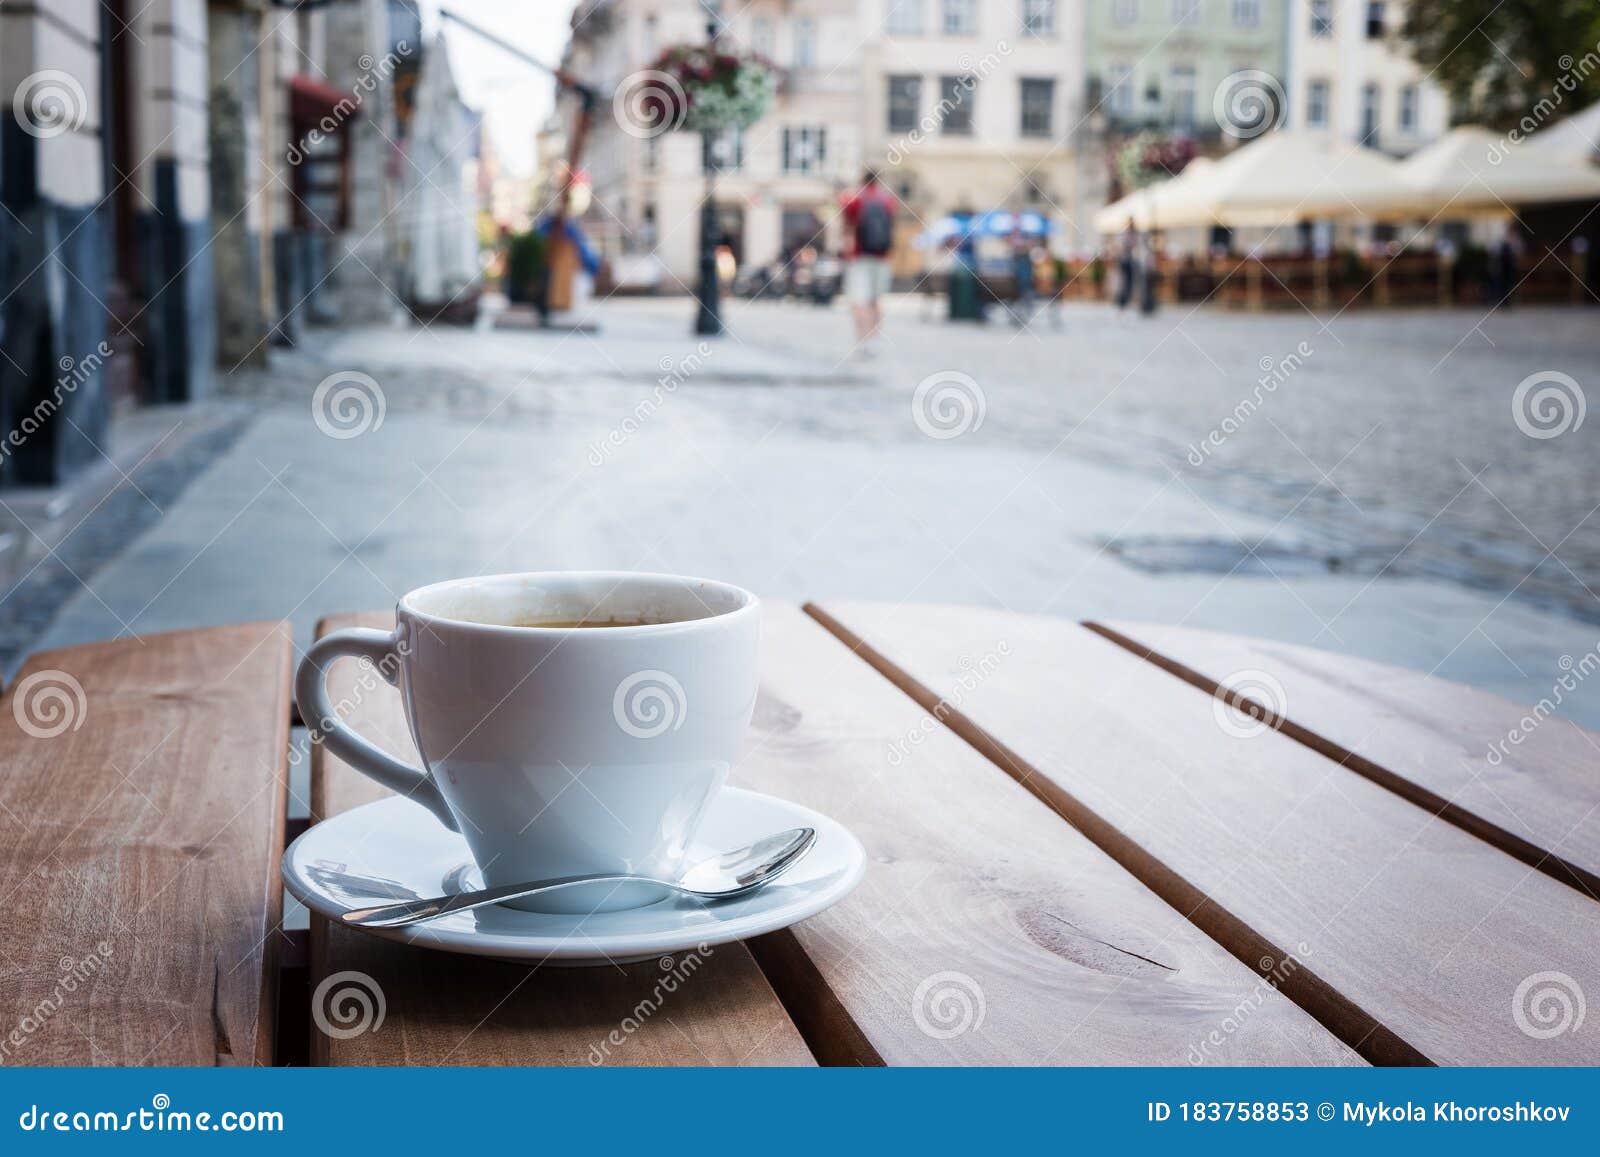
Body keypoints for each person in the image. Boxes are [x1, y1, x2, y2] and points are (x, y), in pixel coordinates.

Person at [841, 168, 897, 355]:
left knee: (859, 301)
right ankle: (875, 338)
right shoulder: (887, 200)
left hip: (860, 257)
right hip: (881, 257)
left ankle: (862, 339)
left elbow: (846, 225)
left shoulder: (855, 199)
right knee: (875, 301)